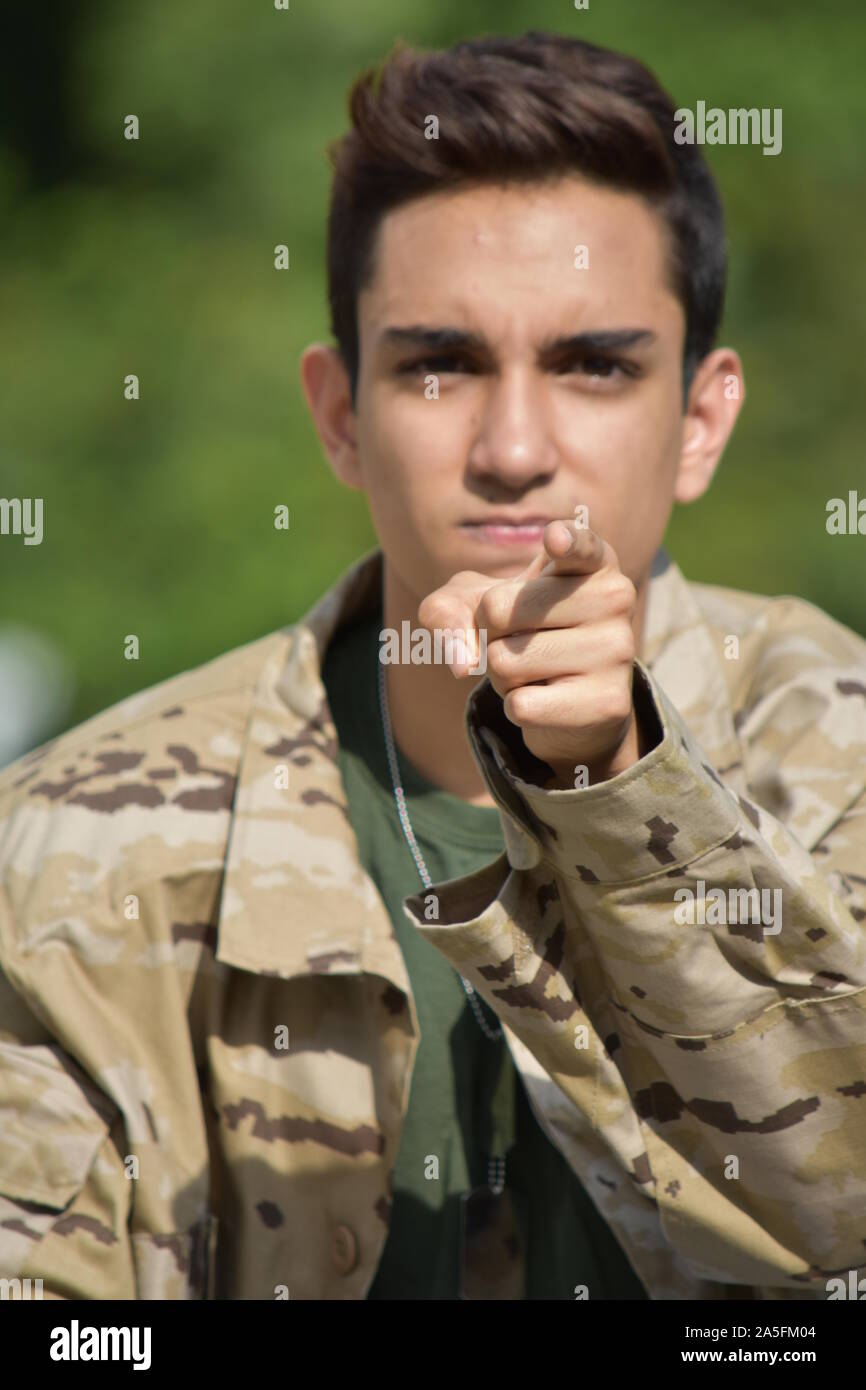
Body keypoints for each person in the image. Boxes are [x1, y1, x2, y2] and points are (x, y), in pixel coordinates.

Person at [1, 30, 864, 1302]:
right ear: (342, 414)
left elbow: (832, 1223)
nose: (512, 447)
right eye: (439, 363)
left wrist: (620, 788)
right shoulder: (67, 851)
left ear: (698, 419)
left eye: (592, 364)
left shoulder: (833, 752)